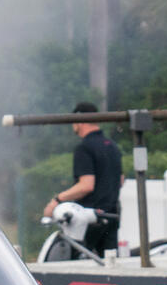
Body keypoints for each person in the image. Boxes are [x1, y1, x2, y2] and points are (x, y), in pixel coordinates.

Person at [44, 102, 124, 257]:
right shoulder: (113, 146)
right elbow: (120, 180)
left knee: (76, 265)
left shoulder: (85, 147)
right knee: (110, 267)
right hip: (111, 217)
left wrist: (56, 201)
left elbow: (86, 186)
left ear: (79, 121)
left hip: (89, 220)